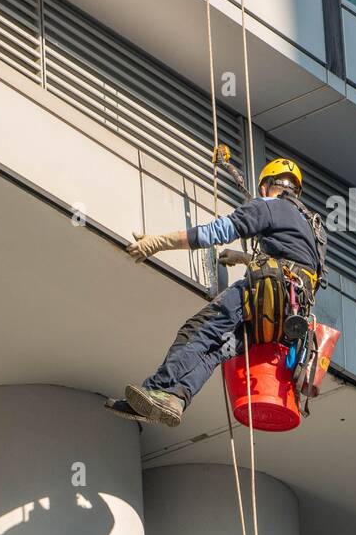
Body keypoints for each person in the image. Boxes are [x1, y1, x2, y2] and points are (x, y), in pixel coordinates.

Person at [105, 156, 323, 427]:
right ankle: (175, 398)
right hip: (282, 319)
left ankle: (156, 388)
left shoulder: (269, 206)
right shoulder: (313, 227)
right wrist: (243, 259)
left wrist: (158, 243)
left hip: (261, 296)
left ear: (266, 186)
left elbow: (214, 233)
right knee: (216, 349)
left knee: (197, 331)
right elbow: (295, 265)